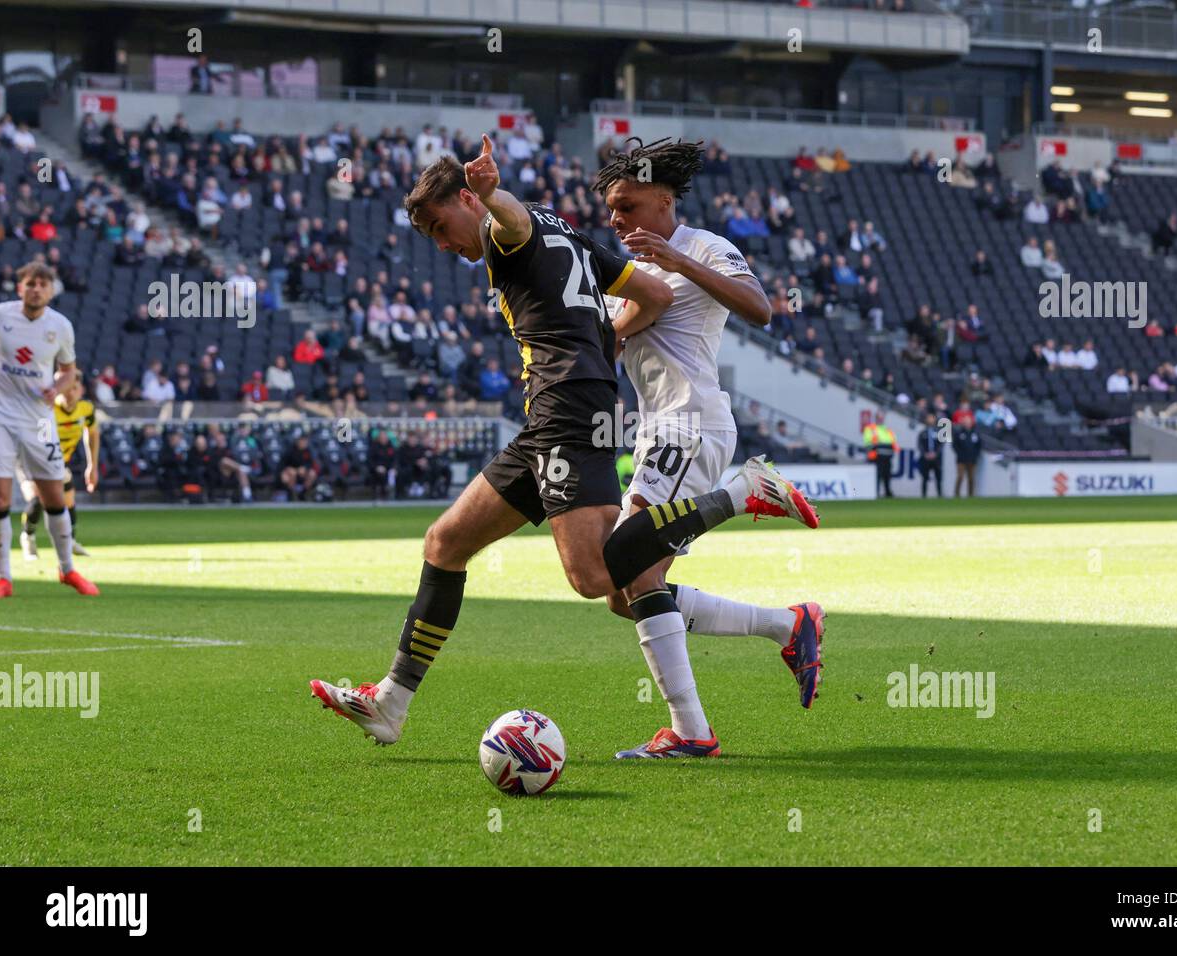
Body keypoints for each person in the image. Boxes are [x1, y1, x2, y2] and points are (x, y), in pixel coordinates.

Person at [309, 135, 818, 751]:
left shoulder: (515, 230)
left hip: (635, 416)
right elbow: (651, 297)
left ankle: (742, 495)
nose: (444, 246)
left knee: (600, 575)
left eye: (444, 228)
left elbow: (516, 223)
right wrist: (605, 336)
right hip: (587, 415)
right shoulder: (581, 238)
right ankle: (392, 702)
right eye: (611, 209)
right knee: (455, 544)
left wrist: (496, 195)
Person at [595, 137, 827, 755]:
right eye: (611, 210)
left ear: (665, 200)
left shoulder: (705, 246)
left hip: (689, 425)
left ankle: (692, 733)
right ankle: (787, 624)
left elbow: (759, 308)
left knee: (629, 565)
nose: (616, 220)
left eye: (627, 205)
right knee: (623, 592)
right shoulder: (632, 277)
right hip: (660, 429)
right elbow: (620, 336)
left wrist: (675, 260)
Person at [0, 263, 99, 597]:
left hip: (40, 420)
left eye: (42, 284)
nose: (35, 289)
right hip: (1, 414)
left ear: (51, 290)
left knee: (54, 496)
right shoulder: (1, 316)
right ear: (20, 287)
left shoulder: (60, 326)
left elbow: (68, 370)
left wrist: (57, 387)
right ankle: (4, 577)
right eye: (30, 283)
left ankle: (67, 570)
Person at [19, 372, 98, 560]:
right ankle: (28, 538)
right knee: (38, 499)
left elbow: (92, 434)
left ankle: (69, 542)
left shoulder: (86, 409)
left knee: (68, 503)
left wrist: (92, 465)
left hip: (57, 463)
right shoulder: (48, 409)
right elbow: (41, 442)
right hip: (31, 458)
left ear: (82, 390)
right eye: (65, 388)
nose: (70, 393)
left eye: (74, 388)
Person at [862, 412, 897, 498]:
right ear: (876, 418)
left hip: (887, 456)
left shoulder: (887, 430)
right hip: (876, 457)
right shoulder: (870, 429)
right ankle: (875, 493)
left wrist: (882, 445)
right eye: (879, 417)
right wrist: (877, 446)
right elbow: (867, 442)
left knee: (887, 476)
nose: (881, 419)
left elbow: (893, 442)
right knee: (877, 476)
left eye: (882, 418)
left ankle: (888, 492)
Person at [916, 411, 943, 498]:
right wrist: (925, 454)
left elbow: (941, 445)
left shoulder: (939, 432)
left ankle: (939, 495)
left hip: (936, 459)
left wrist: (936, 453)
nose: (930, 420)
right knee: (924, 478)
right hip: (926, 459)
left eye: (932, 418)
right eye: (929, 418)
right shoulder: (922, 433)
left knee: (938, 478)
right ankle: (924, 496)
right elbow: (920, 445)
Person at [952, 423, 981, 498]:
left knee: (971, 478)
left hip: (972, 459)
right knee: (960, 476)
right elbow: (955, 445)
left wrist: (975, 455)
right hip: (961, 460)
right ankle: (957, 494)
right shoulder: (959, 433)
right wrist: (960, 454)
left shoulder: (975, 434)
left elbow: (979, 446)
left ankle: (970, 495)